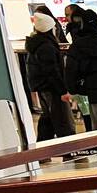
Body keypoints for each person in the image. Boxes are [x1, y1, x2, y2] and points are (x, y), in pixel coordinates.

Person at [25, 11, 74, 141]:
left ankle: (43, 148)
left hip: (42, 86)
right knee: (61, 118)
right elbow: (52, 71)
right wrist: (62, 90)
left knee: (48, 118)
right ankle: (68, 149)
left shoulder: (36, 44)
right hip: (51, 88)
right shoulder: (46, 47)